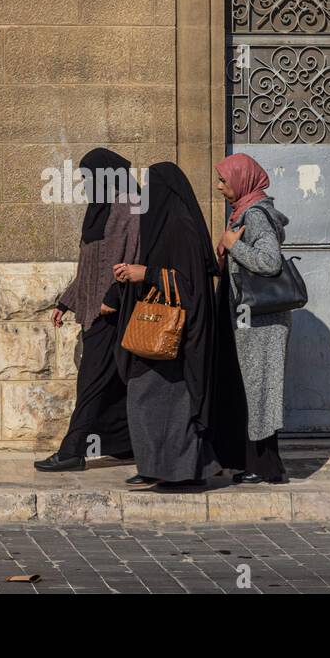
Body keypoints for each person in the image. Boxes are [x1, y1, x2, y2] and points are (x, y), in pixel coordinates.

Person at [112, 162, 247, 488]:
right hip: (164, 330)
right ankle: (160, 466)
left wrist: (146, 273)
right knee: (147, 398)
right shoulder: (163, 226)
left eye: (151, 188)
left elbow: (191, 285)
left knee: (165, 402)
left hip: (181, 335)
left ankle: (182, 473)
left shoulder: (182, 228)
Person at [35, 149, 140, 472]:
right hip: (95, 310)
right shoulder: (99, 209)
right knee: (111, 381)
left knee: (91, 381)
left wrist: (114, 297)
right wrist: (67, 301)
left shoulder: (129, 205)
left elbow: (132, 255)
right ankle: (125, 444)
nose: (86, 183)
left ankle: (72, 451)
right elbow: (89, 265)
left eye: (90, 176)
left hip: (113, 311)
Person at [215, 153, 291, 484]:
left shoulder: (256, 215)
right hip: (249, 320)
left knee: (258, 392)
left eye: (224, 180)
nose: (219, 186)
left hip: (260, 321)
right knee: (251, 392)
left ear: (241, 180)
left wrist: (234, 246)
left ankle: (268, 468)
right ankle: (252, 463)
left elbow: (270, 262)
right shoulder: (243, 211)